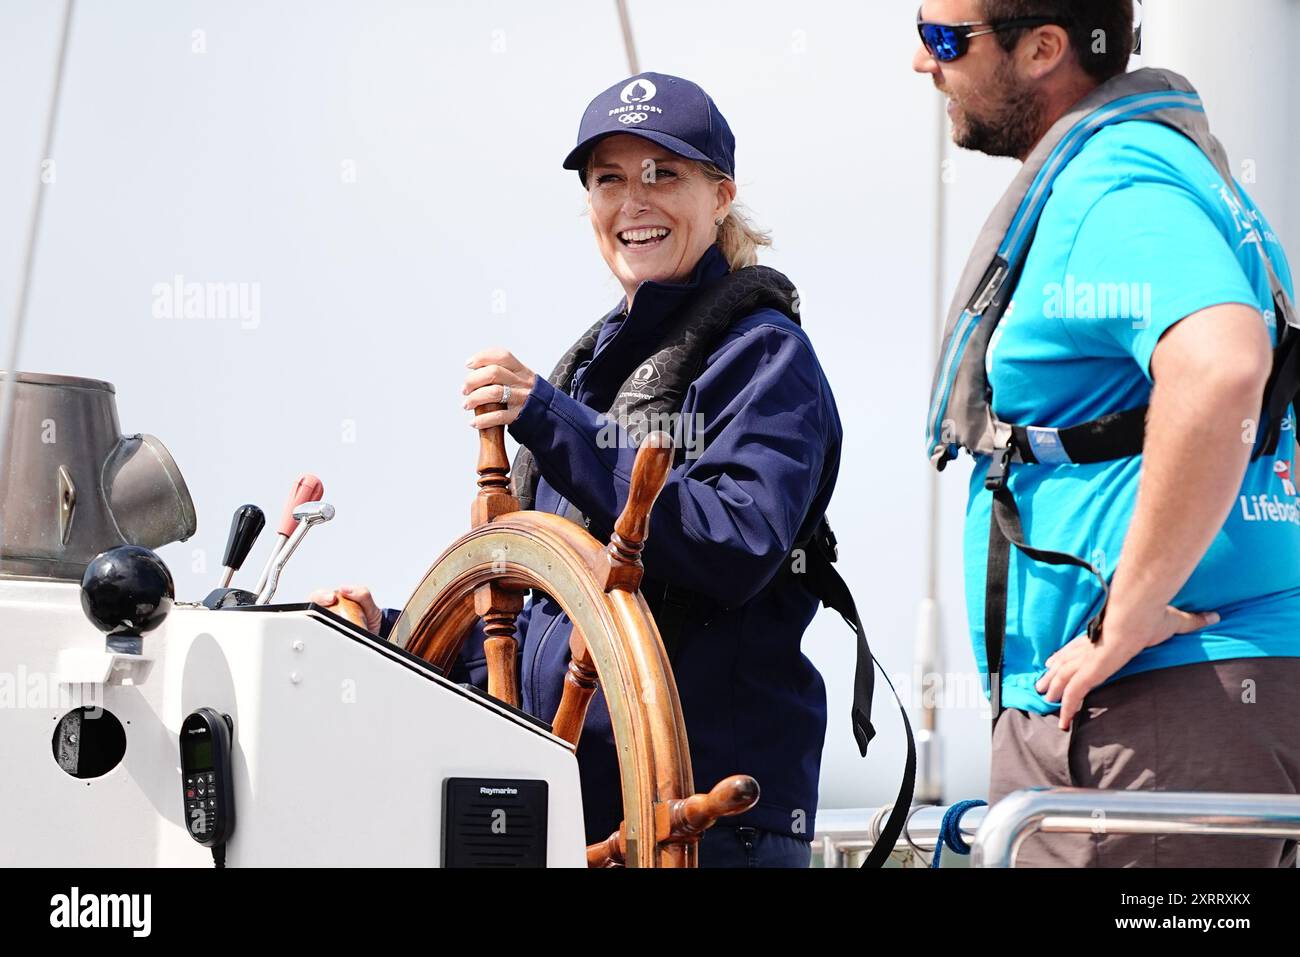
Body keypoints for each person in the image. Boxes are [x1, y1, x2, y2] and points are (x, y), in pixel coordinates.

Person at [314, 72, 843, 867]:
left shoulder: (766, 359)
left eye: (664, 174)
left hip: (710, 828)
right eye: (609, 179)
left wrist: (551, 418)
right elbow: (533, 619)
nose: (635, 200)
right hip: (577, 820)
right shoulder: (596, 379)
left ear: (722, 194)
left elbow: (735, 543)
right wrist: (388, 633)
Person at [918, 0, 1300, 866]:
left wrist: (1121, 616)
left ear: (1045, 48)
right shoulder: (1184, 174)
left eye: (944, 39)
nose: (922, 63)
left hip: (1154, 710)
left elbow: (1223, 365)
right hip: (1199, 696)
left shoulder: (1113, 183)